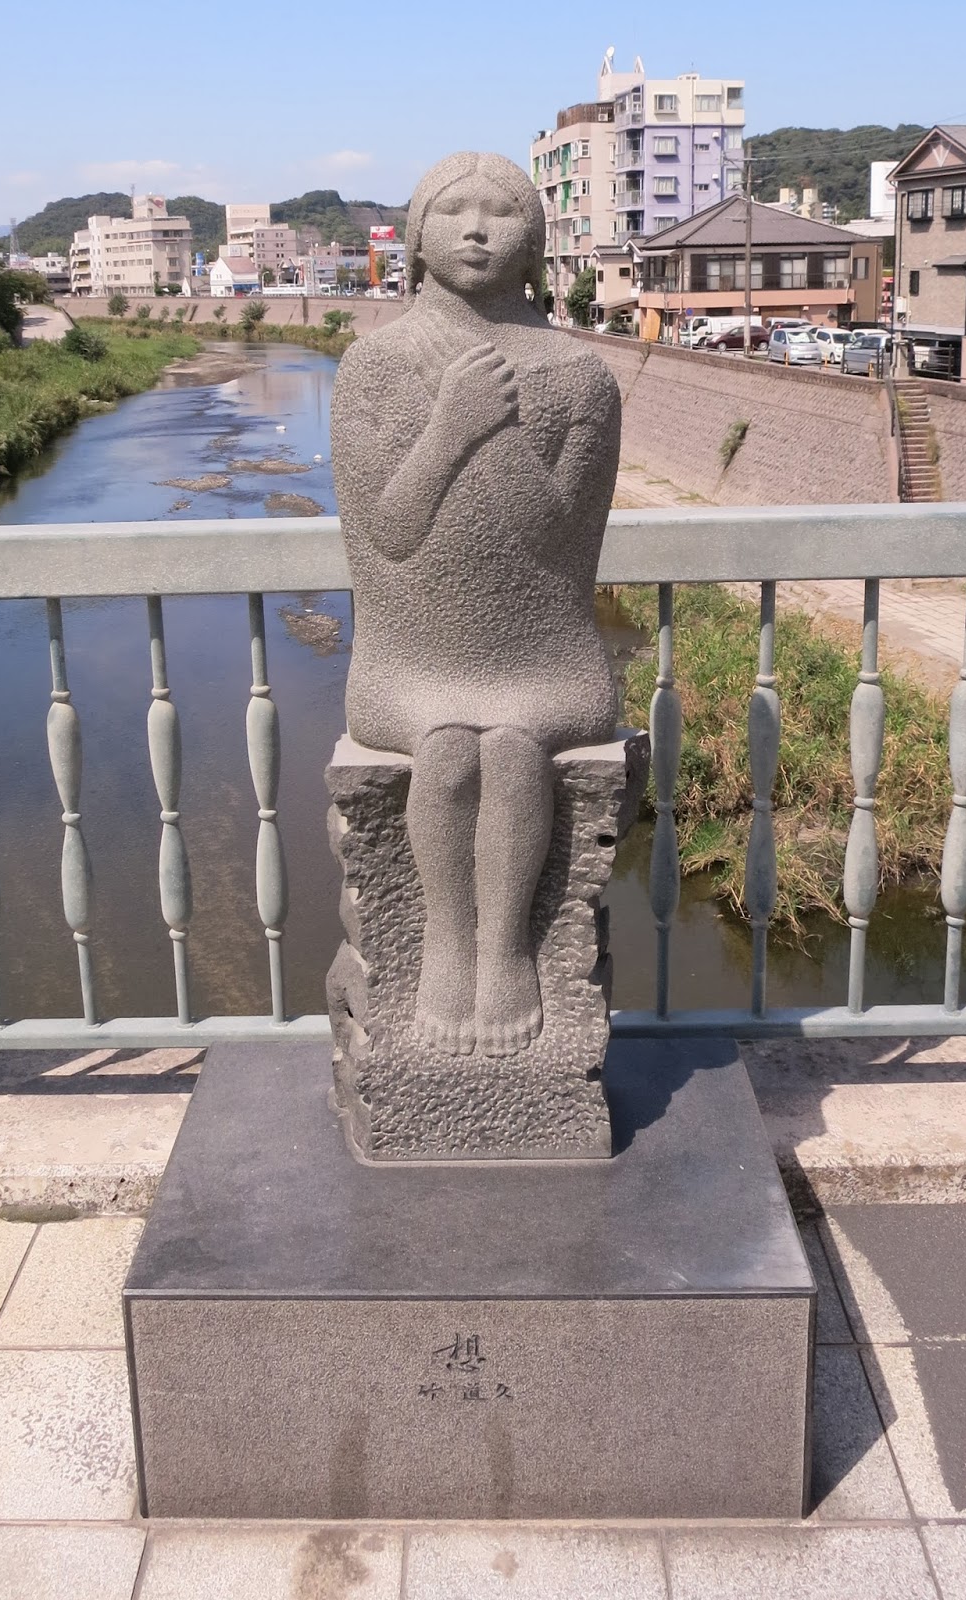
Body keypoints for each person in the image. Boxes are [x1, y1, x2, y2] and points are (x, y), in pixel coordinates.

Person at [330, 152, 621, 1058]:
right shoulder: (376, 367)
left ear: (535, 241)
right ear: (416, 236)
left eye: (502, 212)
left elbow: (554, 538)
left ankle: (506, 958)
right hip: (408, 661)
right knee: (448, 748)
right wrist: (452, 422)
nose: (477, 229)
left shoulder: (580, 379)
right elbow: (389, 531)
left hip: (546, 659)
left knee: (509, 740)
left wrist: (489, 429)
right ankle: (449, 949)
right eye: (453, 211)